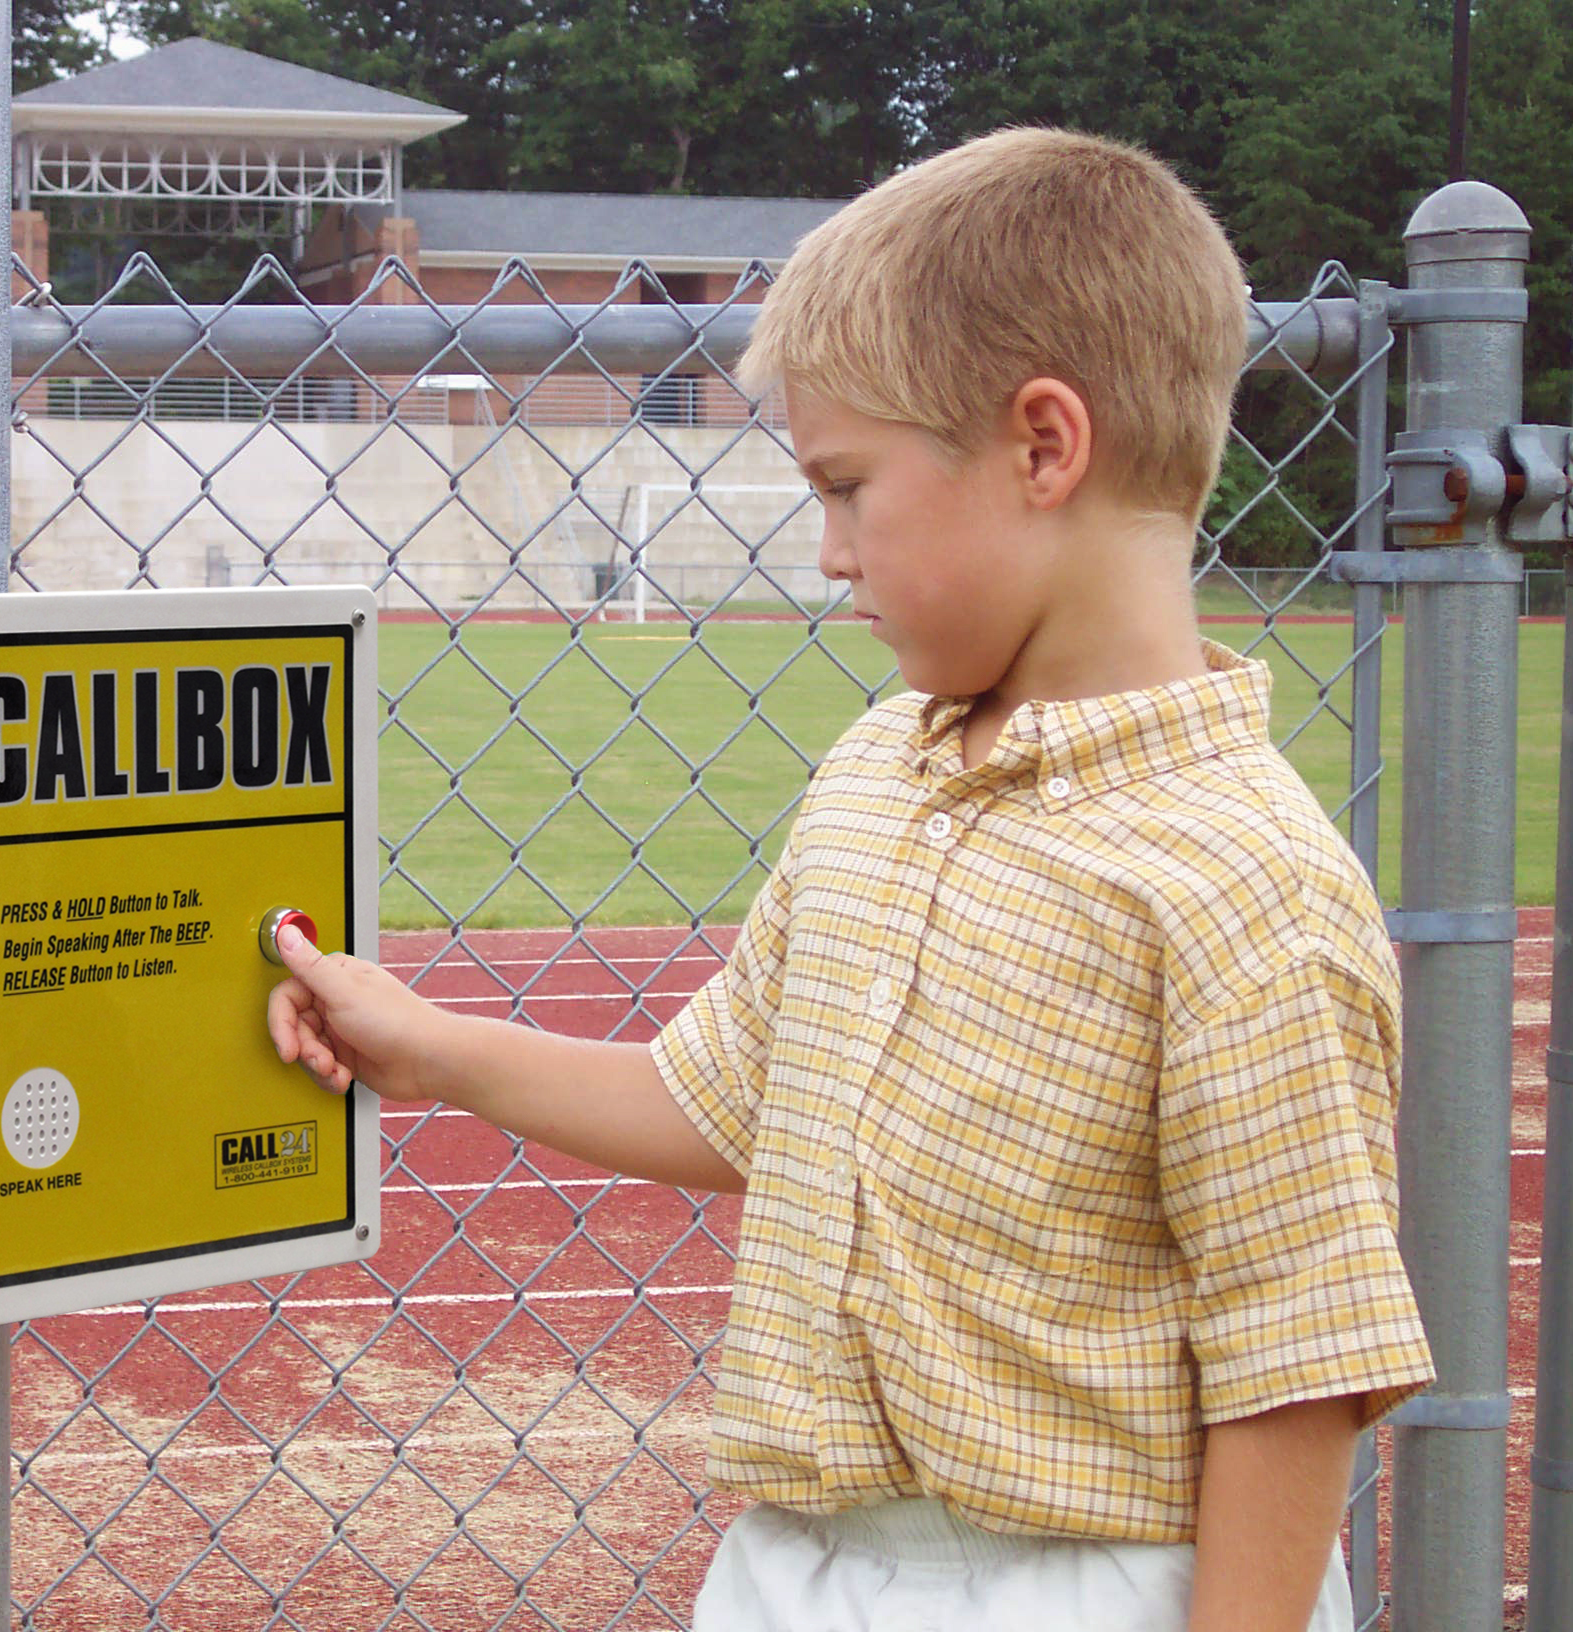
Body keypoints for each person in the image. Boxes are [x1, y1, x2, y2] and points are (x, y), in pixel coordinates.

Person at [265, 127, 1434, 1632]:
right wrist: (430, 1049)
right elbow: (727, 1096)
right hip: (794, 1563)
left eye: (848, 485)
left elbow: (1301, 1366)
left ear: (1042, 446)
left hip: (1091, 1588)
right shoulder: (878, 774)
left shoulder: (1244, 880)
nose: (825, 552)